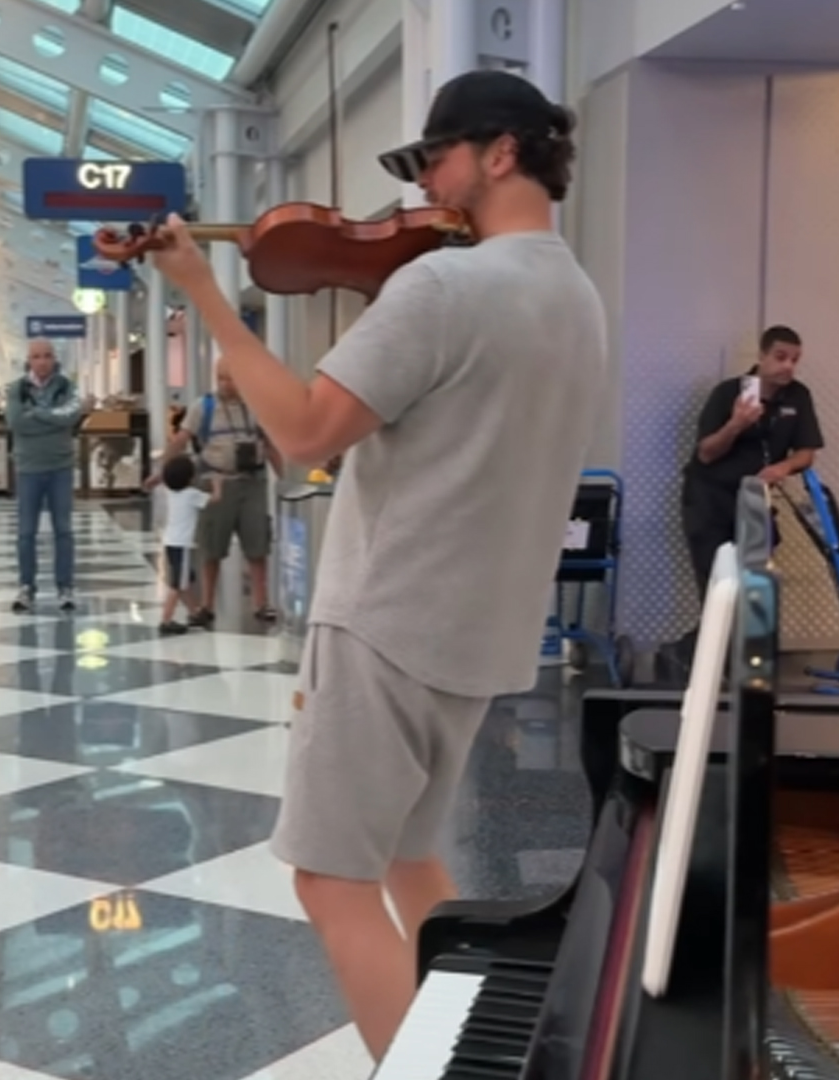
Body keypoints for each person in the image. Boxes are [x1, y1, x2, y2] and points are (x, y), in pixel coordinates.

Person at [141, 68, 607, 1059]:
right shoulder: (577, 297)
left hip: (388, 618)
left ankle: (427, 1070)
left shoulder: (446, 283)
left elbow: (308, 431)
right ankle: (482, 1043)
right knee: (406, 858)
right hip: (481, 632)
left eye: (435, 158)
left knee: (330, 877)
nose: (425, 187)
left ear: (501, 151)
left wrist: (202, 295)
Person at [680, 325, 824, 594]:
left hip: (756, 499)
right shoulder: (727, 393)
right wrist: (736, 424)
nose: (788, 367)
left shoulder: (797, 395)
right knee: (718, 587)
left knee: (755, 586)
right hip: (712, 497)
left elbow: (807, 452)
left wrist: (783, 467)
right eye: (780, 357)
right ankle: (714, 635)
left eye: (794, 360)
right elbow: (706, 454)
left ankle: (747, 636)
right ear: (762, 356)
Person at [167, 359, 282, 626]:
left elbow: (270, 444)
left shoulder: (257, 405)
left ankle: (260, 603)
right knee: (211, 548)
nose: (225, 384)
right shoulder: (203, 407)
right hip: (215, 482)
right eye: (221, 378)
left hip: (252, 482)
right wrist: (162, 471)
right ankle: (207, 605)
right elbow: (182, 439)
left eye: (230, 378)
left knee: (257, 546)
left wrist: (286, 479)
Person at [6, 338, 85, 613]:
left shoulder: (67, 386)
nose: (42, 361)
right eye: (37, 356)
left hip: (60, 467)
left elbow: (71, 415)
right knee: (26, 532)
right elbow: (15, 422)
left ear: (54, 358)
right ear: (29, 360)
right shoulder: (16, 389)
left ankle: (65, 587)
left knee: (63, 530)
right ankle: (27, 586)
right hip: (28, 468)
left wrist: (37, 414)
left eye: (47, 356)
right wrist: (52, 419)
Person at [152, 454, 219, 636]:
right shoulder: (192, 495)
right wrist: (217, 484)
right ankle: (166, 620)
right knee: (177, 585)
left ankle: (194, 612)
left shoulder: (171, 492)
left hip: (171, 542)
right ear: (190, 477)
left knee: (185, 581)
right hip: (182, 544)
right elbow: (214, 499)